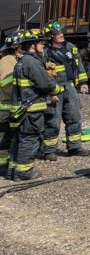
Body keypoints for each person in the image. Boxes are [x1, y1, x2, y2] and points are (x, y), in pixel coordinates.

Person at [8, 29, 64, 181]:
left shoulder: (22, 61)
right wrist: (59, 89)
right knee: (28, 140)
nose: (44, 46)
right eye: (41, 43)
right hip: (31, 111)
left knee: (19, 139)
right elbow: (46, 84)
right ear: (32, 45)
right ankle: (24, 173)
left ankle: (13, 170)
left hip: (21, 109)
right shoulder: (32, 62)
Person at [40, 21, 90, 159]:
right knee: (52, 120)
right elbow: (43, 75)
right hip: (55, 88)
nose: (61, 35)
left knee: (74, 117)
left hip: (70, 86)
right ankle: (49, 150)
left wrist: (83, 82)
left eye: (61, 32)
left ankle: (74, 147)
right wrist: (50, 92)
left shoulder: (70, 47)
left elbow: (78, 65)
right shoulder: (45, 52)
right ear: (50, 36)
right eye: (57, 33)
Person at [0, 31, 24, 177]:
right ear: (16, 46)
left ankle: (6, 166)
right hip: (5, 106)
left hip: (8, 106)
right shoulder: (9, 60)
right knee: (5, 137)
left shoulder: (13, 59)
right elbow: (7, 85)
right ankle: (3, 168)